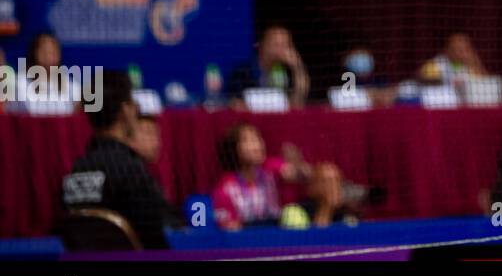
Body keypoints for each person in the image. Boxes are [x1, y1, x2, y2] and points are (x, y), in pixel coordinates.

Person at [61, 71, 181, 249]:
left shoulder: (76, 169)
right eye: (133, 103)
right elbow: (160, 235)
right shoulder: (129, 169)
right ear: (126, 111)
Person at [211, 123, 344, 230]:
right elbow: (230, 230)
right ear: (234, 149)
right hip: (248, 238)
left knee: (327, 174)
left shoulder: (269, 167)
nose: (257, 146)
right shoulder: (225, 189)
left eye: (258, 139)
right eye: (249, 141)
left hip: (278, 230)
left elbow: (298, 172)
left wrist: (301, 165)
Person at [227, 24, 311, 109]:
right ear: (262, 45)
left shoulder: (287, 73)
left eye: (285, 45)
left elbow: (297, 103)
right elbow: (235, 104)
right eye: (276, 44)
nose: (281, 50)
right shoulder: (243, 73)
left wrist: (297, 67)